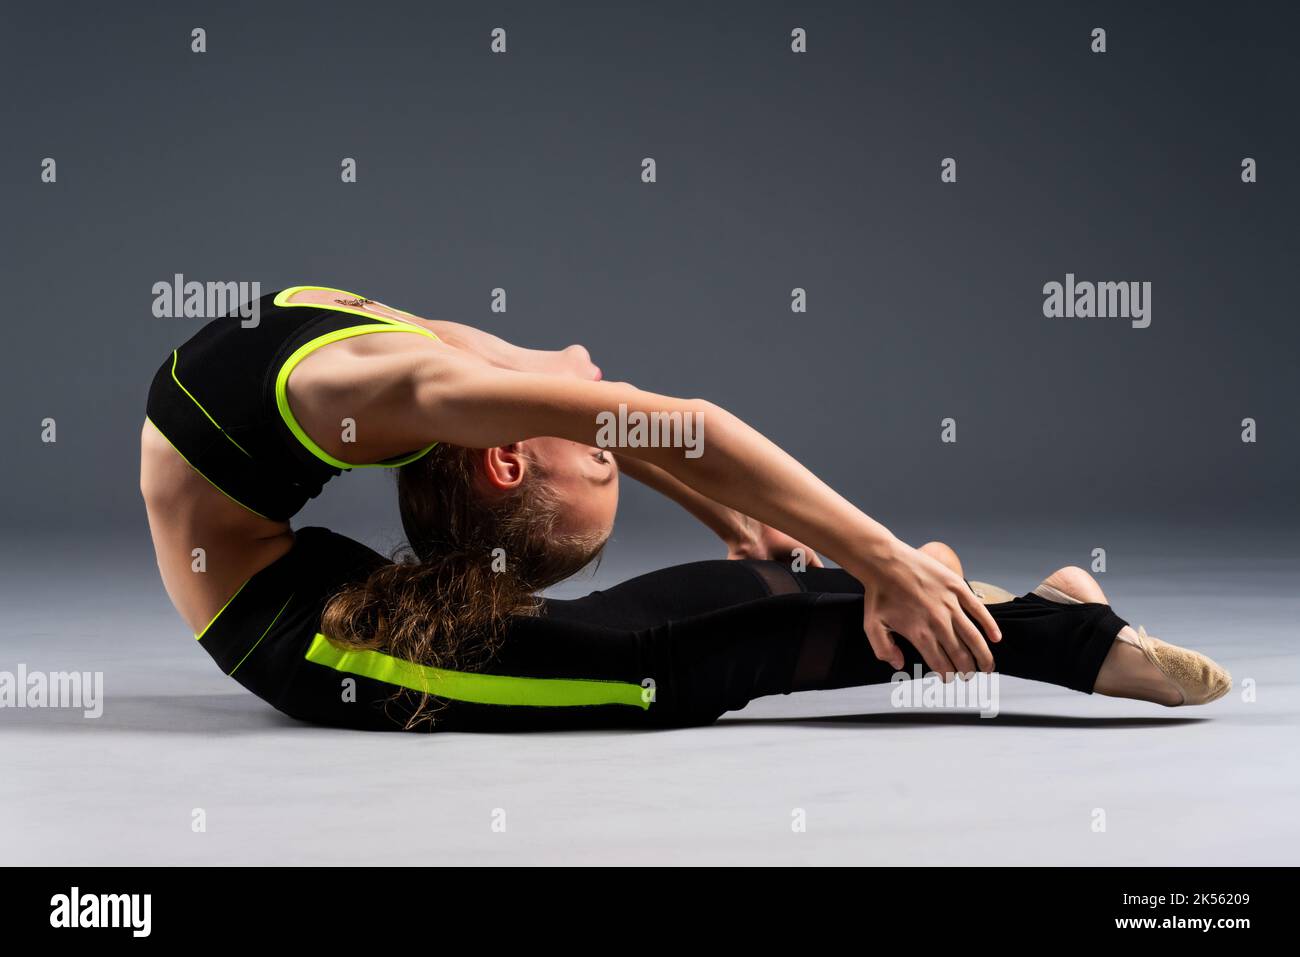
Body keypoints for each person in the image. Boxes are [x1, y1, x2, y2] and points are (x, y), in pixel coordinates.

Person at [141, 286, 1231, 730]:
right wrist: (886, 553)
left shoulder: (417, 387)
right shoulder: (418, 382)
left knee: (629, 643)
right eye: (606, 475)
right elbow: (644, 416)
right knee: (645, 669)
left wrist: (727, 516)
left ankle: (989, 608)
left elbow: (631, 417)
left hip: (269, 560)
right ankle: (1024, 624)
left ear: (505, 464)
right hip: (273, 629)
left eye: (600, 475)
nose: (610, 450)